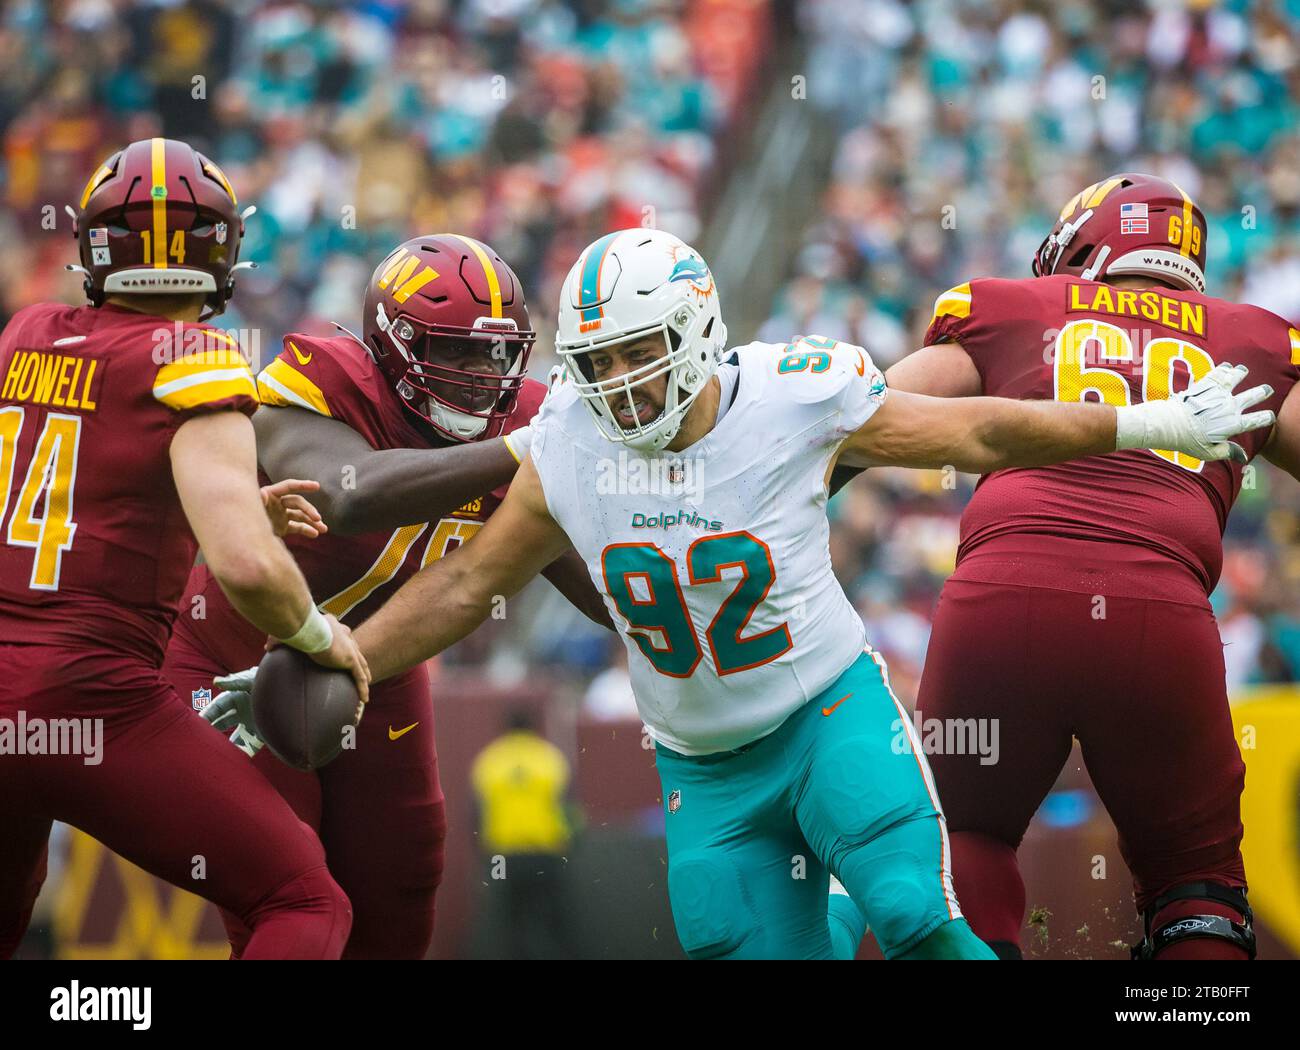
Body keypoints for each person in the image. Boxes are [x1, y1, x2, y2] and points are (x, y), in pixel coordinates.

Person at [285, 228, 1268, 959]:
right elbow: (465, 587)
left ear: (698, 331)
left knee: (916, 917)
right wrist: (345, 652)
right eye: (600, 365)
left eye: (640, 352)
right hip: (704, 772)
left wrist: (1140, 425)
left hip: (827, 711)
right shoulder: (565, 446)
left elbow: (981, 430)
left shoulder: (793, 395)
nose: (622, 386)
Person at [883, 173, 1300, 960]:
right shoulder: (1253, 337)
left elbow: (871, 417)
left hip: (1003, 602)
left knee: (962, 837)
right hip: (1161, 617)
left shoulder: (1009, 308)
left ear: (1081, 243)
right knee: (1196, 878)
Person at [169, 233, 610, 958]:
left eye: (499, 354)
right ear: (393, 346)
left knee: (403, 882)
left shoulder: (529, 421)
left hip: (379, 667)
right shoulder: (325, 382)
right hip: (239, 661)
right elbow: (351, 496)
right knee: (289, 889)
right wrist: (525, 450)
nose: (482, 376)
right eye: (458, 352)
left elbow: (595, 590)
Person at [0, 137, 369, 959]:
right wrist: (319, 634)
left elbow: (71, 498)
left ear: (96, 249)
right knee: (303, 899)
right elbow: (243, 565)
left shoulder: (25, 335)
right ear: (223, 251)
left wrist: (209, 506)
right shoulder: (194, 357)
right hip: (92, 700)